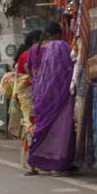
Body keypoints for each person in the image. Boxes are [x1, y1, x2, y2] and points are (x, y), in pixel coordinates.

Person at [26, 22, 76, 176]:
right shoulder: (61, 46)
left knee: (40, 128)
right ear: (58, 34)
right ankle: (56, 166)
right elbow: (71, 67)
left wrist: (39, 83)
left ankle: (34, 165)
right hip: (59, 94)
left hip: (40, 95)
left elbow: (29, 69)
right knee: (60, 130)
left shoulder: (34, 49)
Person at [9, 30, 41, 174]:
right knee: (32, 127)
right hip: (31, 98)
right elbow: (31, 76)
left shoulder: (24, 55)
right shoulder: (30, 55)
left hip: (27, 98)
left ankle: (33, 163)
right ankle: (32, 164)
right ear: (36, 41)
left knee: (30, 126)